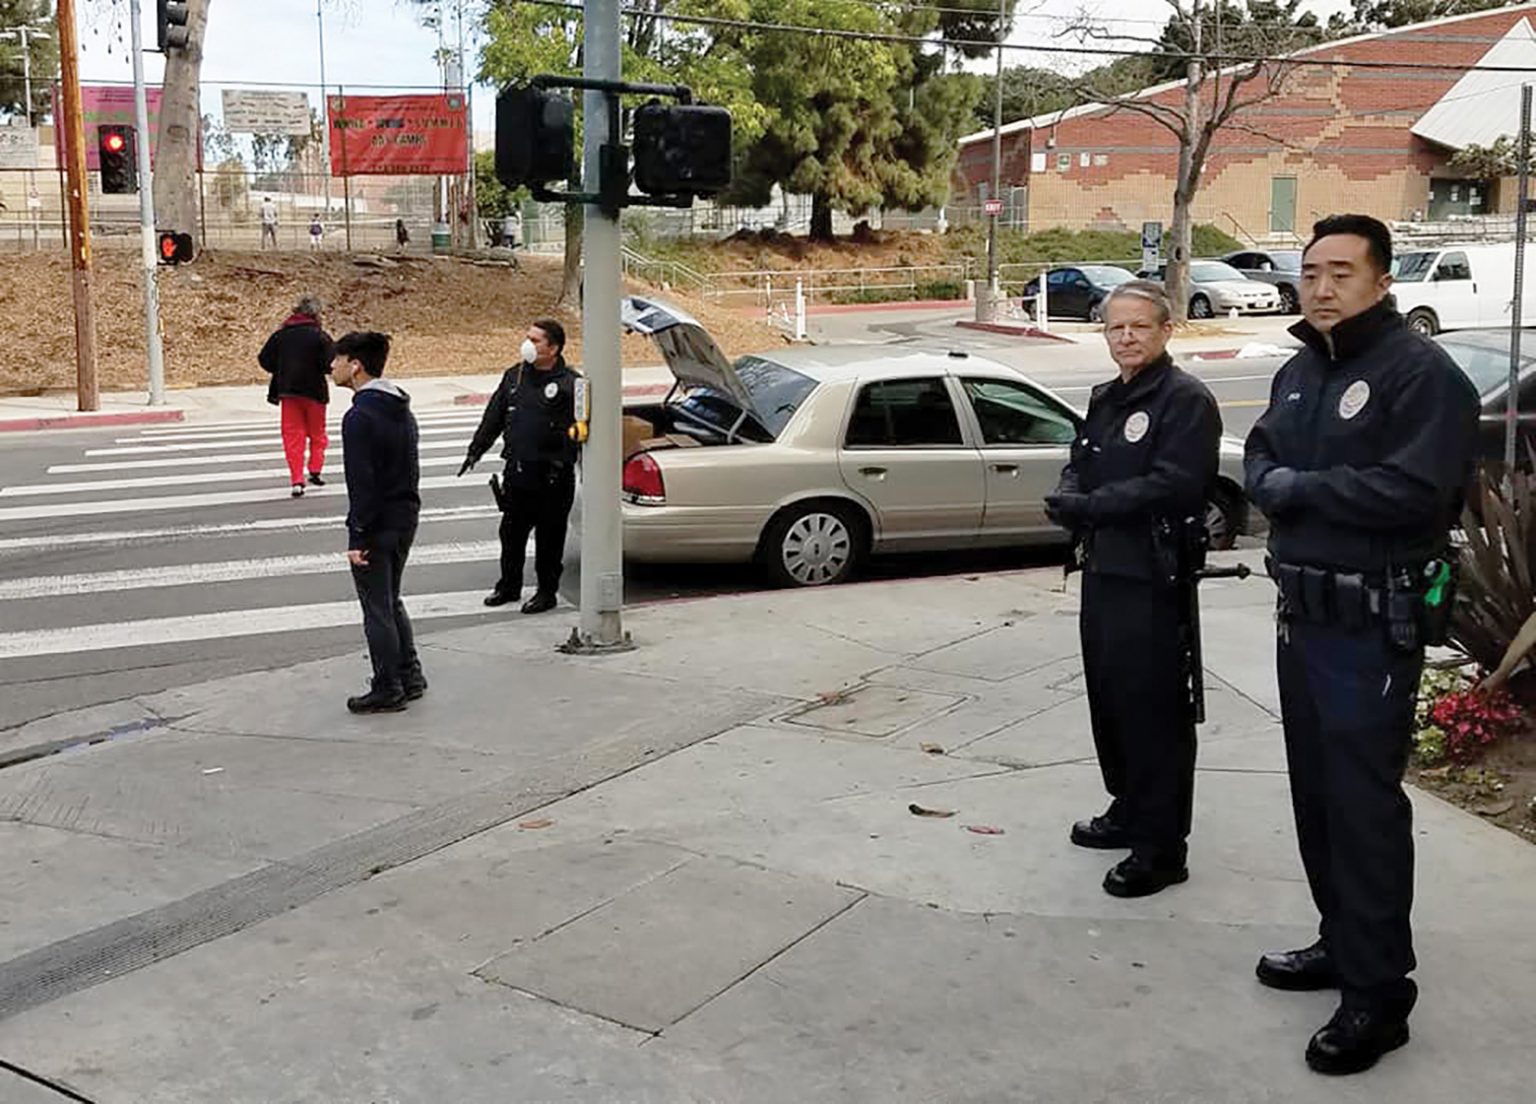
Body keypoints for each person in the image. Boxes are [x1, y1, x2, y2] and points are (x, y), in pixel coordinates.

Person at [1245, 215, 1480, 1076]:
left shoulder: (1422, 375)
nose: (1322, 286)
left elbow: (1413, 490)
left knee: (1363, 805)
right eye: (1311, 271)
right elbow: (1258, 460)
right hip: (1303, 617)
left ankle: (1380, 996)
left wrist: (1299, 489)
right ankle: (1340, 941)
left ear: (1382, 282)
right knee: (1316, 795)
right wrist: (1283, 484)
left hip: (1371, 628)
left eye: (1342, 272)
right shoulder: (1301, 370)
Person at [1044, 280, 1221, 899]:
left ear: (1166, 330)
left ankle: (1162, 846)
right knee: (1111, 701)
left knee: (1155, 713)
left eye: (1139, 326)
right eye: (1115, 327)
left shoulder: (1184, 400)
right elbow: (1082, 460)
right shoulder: (1107, 397)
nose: (1126, 337)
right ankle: (1128, 806)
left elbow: (1176, 484)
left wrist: (1090, 506)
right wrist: (1070, 494)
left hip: (1153, 575)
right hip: (1104, 569)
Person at [332, 331, 425, 714]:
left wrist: (358, 534)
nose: (331, 366)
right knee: (390, 598)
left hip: (378, 522)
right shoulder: (401, 407)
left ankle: (388, 686)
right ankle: (410, 674)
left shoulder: (360, 417)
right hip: (405, 515)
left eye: (337, 359)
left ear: (355, 366)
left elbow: (362, 482)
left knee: (376, 607)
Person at [460, 319, 579, 615]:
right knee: (511, 534)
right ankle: (508, 586)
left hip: (552, 476)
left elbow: (584, 428)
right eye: (528, 337)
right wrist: (476, 450)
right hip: (518, 472)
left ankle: (546, 592)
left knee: (549, 538)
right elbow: (494, 416)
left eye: (536, 340)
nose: (528, 344)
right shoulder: (515, 376)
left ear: (553, 348)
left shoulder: (571, 384)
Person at [258, 296, 334, 498]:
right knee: (317, 433)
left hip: (288, 391)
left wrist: (281, 368)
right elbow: (330, 364)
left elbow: (264, 359)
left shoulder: (281, 335)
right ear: (315, 314)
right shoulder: (320, 336)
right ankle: (315, 469)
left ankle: (297, 480)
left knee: (293, 436)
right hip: (315, 392)